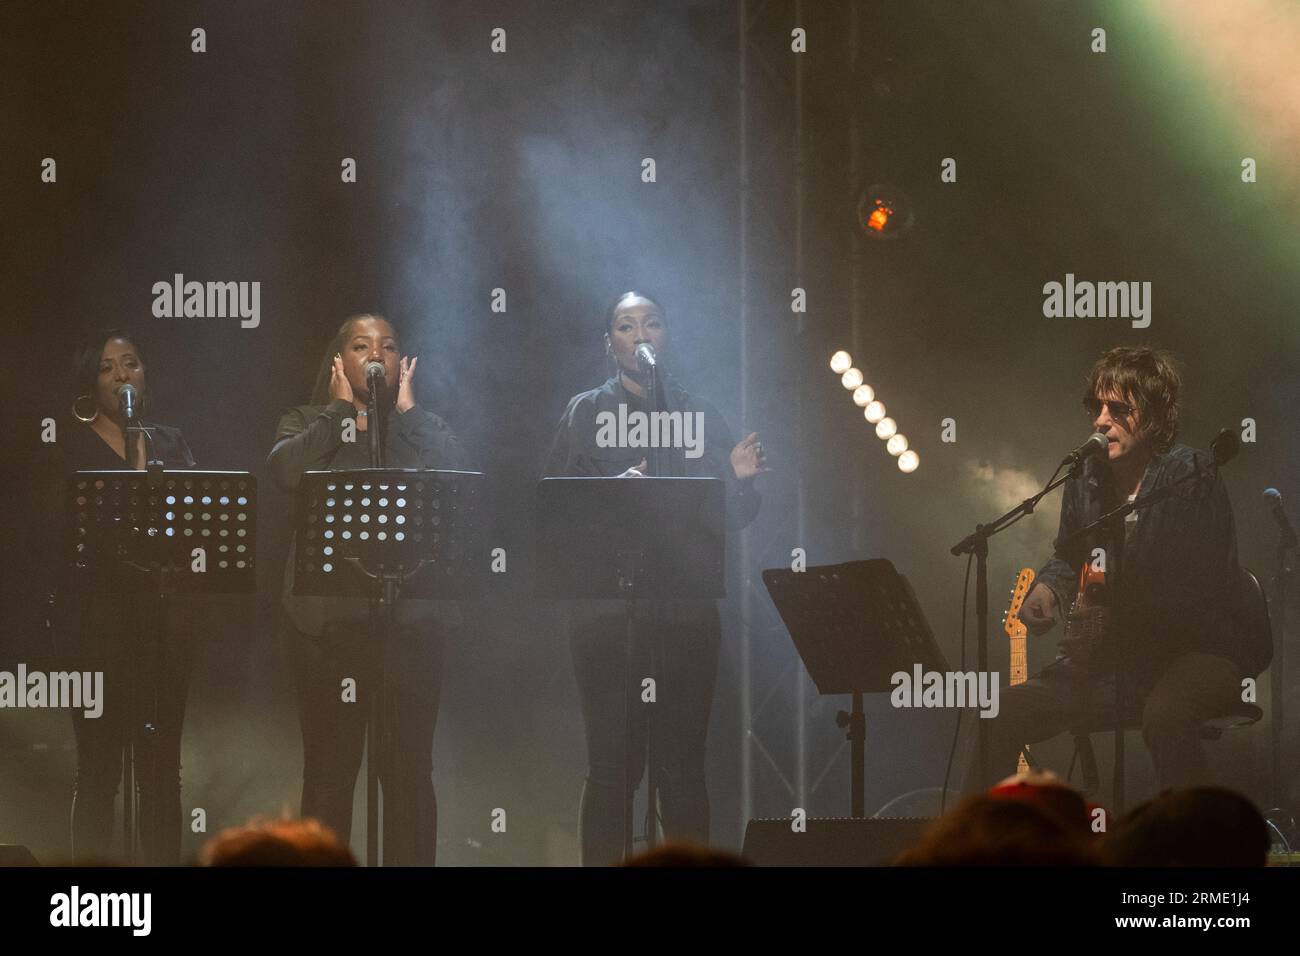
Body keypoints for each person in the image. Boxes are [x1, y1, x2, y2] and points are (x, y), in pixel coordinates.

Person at [964, 346, 1256, 794]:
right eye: (1096, 407)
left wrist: (1108, 617)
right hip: (1115, 662)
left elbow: (1199, 582)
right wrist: (1049, 590)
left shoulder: (1191, 472)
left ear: (1156, 417)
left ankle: (1200, 840)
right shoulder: (1085, 476)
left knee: (1166, 717)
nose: (1101, 420)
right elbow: (1069, 553)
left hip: (1198, 651)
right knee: (999, 715)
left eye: (1118, 409)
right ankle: (979, 850)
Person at [545, 291, 768, 865]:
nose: (639, 333)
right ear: (609, 343)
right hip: (608, 616)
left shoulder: (700, 413)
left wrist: (740, 482)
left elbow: (733, 519)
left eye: (651, 323)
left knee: (683, 767)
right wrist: (614, 493)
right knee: (614, 767)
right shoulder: (586, 411)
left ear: (666, 336)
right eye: (625, 325)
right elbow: (556, 511)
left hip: (686, 613)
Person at [267, 313, 469, 866]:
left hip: (410, 626)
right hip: (328, 629)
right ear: (338, 361)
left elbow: (458, 475)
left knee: (407, 772)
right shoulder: (308, 420)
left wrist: (407, 414)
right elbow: (284, 474)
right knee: (330, 772)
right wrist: (336, 415)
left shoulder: (416, 426)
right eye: (361, 346)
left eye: (388, 346)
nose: (376, 355)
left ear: (403, 363)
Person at [43, 329, 197, 864]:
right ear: (92, 382)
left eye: (131, 362)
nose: (121, 374)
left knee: (161, 774)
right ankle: (91, 895)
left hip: (163, 625)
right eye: (107, 367)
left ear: (145, 375)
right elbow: (59, 537)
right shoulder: (69, 444)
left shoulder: (172, 443)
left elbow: (196, 529)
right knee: (100, 771)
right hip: (96, 627)